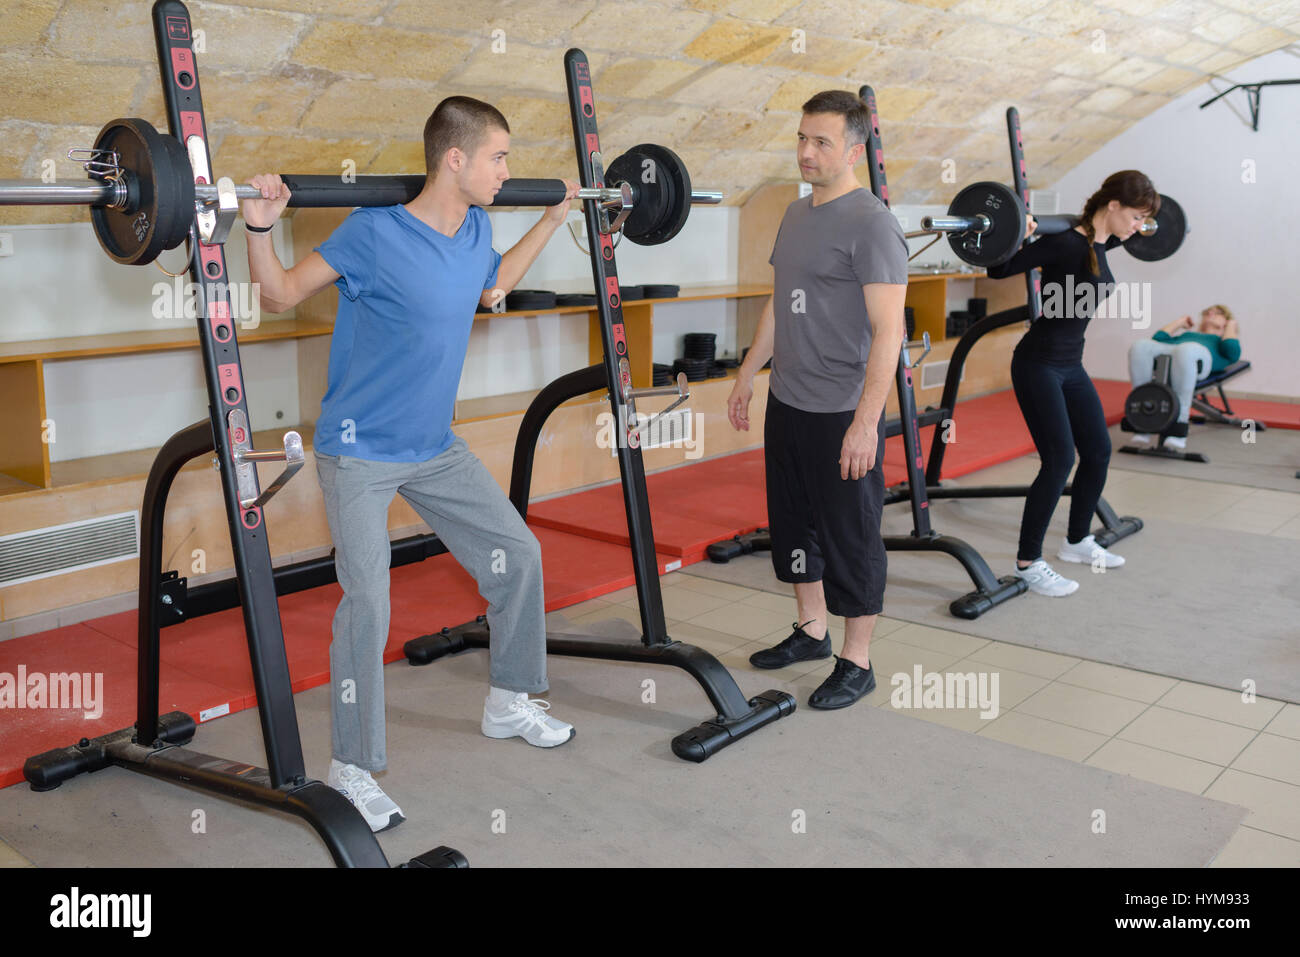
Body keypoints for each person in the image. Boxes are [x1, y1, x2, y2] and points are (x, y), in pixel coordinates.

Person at [243, 96, 580, 832]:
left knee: (517, 552)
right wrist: (259, 229)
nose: (507, 171)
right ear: (454, 159)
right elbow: (280, 291)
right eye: (499, 158)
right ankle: (353, 769)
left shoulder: (477, 227)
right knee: (370, 601)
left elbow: (493, 281)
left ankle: (508, 699)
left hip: (434, 446)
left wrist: (553, 220)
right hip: (359, 452)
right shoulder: (373, 233)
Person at [727, 90, 907, 710]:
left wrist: (865, 423)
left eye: (821, 142)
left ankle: (858, 659)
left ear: (854, 150)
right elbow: (782, 300)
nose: (805, 151)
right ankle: (812, 630)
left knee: (851, 533)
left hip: (841, 410)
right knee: (794, 522)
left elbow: (891, 331)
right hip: (790, 400)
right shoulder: (797, 214)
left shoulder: (872, 222)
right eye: (802, 138)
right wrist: (750, 369)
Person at [985, 170, 1161, 597]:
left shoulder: (1106, 241)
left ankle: (1077, 541)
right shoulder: (1064, 242)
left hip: (1071, 365)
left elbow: (1144, 233)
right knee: (1060, 459)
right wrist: (1019, 231)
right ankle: (1028, 563)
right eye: (1135, 216)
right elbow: (1000, 269)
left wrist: (1149, 220)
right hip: (1038, 364)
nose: (1138, 227)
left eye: (1143, 221)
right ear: (1113, 205)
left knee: (1099, 450)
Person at [1126, 305, 1241, 451]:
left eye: (1218, 313)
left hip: (1196, 357)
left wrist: (1230, 327)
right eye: (1208, 312)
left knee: (1186, 350)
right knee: (1140, 346)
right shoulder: (1187, 335)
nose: (1211, 313)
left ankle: (1178, 429)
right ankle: (1142, 418)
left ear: (1226, 321)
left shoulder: (1221, 342)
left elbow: (1233, 353)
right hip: (1174, 351)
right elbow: (1157, 339)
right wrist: (1179, 322)